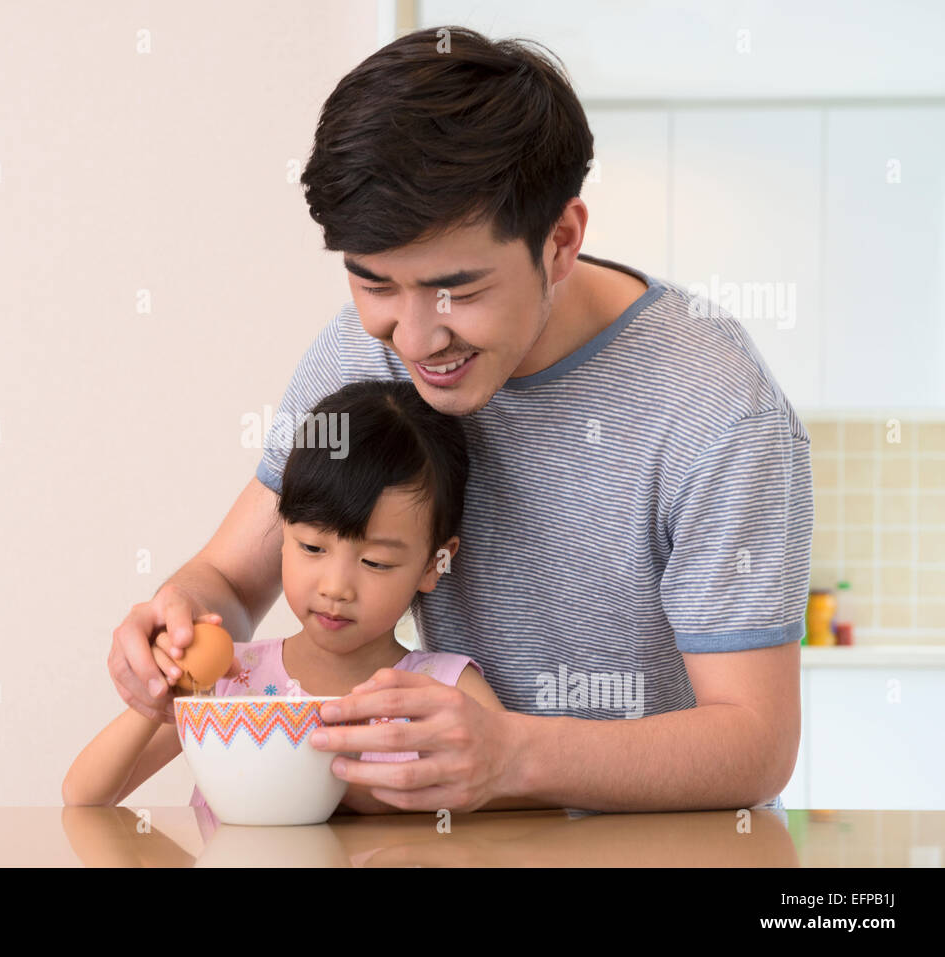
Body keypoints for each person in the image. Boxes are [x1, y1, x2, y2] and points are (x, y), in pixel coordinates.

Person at [107, 27, 811, 814]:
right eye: (373, 285)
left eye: (458, 293)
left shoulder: (716, 406)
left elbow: (756, 742)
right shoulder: (357, 356)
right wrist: (176, 617)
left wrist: (513, 752)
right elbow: (234, 581)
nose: (412, 340)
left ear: (562, 241)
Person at [65, 381, 503, 815]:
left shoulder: (443, 691)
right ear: (282, 536)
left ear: (434, 564)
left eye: (375, 562)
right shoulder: (232, 679)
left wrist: (395, 800)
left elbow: (524, 792)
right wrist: (159, 695)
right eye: (312, 548)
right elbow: (85, 796)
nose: (335, 587)